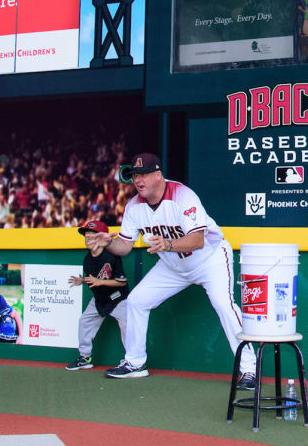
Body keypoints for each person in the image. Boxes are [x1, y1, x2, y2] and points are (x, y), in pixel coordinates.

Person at [84, 152, 255, 386]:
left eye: (144, 174)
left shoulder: (182, 196)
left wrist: (168, 244)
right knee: (136, 301)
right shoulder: (134, 206)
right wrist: (108, 243)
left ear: (158, 175)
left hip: (210, 260)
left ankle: (249, 370)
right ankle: (135, 362)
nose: (138, 180)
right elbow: (124, 246)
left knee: (224, 305)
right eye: (135, 175)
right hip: (173, 266)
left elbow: (198, 240)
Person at [64, 219, 129, 371]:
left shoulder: (111, 256)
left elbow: (122, 282)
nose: (88, 238)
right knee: (84, 322)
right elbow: (95, 279)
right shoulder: (87, 259)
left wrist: (99, 281)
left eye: (93, 236)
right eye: (86, 235)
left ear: (102, 238)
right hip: (99, 299)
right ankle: (85, 358)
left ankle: (132, 361)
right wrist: (82, 281)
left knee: (128, 327)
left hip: (118, 298)